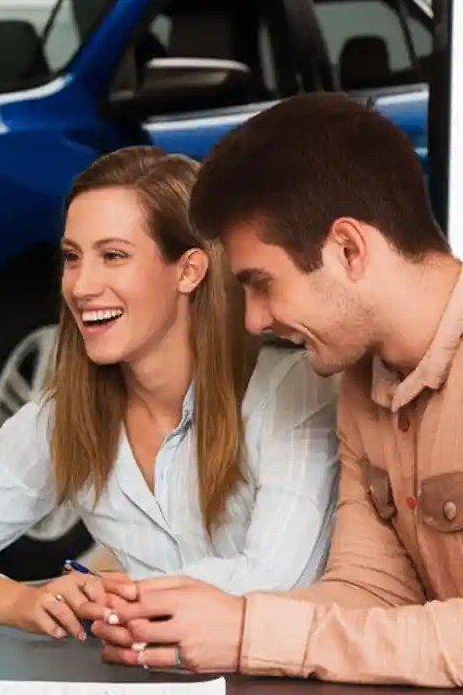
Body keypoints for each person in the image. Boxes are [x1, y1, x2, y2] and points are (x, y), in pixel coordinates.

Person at [0, 146, 339, 642]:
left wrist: (109, 595)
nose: (81, 286)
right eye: (72, 258)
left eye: (113, 256)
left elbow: (277, 581)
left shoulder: (291, 392)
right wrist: (18, 600)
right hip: (137, 669)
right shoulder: (62, 418)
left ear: (189, 270)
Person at [93, 93, 463, 688]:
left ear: (348, 249)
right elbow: (372, 593)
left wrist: (251, 632)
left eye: (262, 284)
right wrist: (201, 614)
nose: (254, 321)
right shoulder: (361, 382)